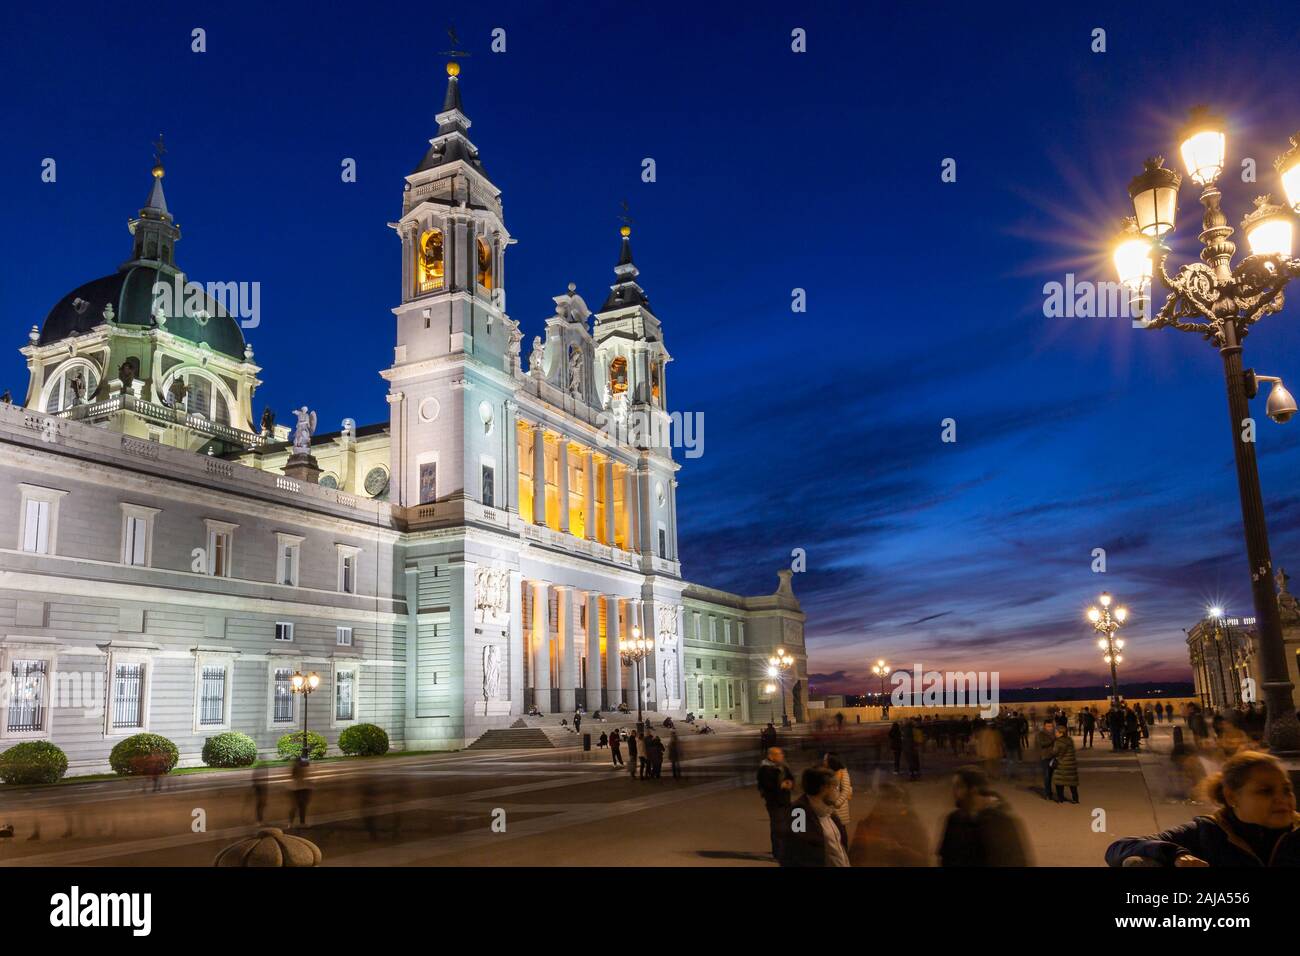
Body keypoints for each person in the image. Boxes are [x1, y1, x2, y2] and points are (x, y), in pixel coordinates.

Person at [1106, 750, 1299, 866]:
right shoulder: (1208, 832)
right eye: (1265, 791)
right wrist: (1175, 854)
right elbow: (1118, 848)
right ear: (1232, 796)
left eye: (1287, 790)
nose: (1282, 799)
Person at [937, 766, 1034, 866]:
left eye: (959, 787)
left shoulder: (1001, 823)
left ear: (973, 790)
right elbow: (945, 857)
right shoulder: (954, 820)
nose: (954, 792)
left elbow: (1017, 861)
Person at [778, 767, 850, 867]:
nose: (837, 792)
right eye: (835, 787)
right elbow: (793, 851)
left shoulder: (828, 811)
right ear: (823, 788)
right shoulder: (799, 812)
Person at [849, 783, 931, 866]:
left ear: (904, 805)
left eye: (896, 799)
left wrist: (900, 849)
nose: (891, 805)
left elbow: (924, 860)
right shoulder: (867, 825)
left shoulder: (913, 826)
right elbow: (854, 858)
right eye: (886, 799)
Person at [757, 746, 795, 859]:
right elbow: (766, 785)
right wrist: (780, 785)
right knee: (778, 827)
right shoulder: (765, 769)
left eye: (781, 754)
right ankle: (778, 853)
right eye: (779, 754)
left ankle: (784, 849)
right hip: (774, 802)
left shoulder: (783, 766)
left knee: (785, 826)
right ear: (771, 756)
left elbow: (790, 777)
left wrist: (790, 783)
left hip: (785, 800)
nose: (782, 756)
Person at [822, 753, 853, 830]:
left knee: (840, 831)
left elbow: (846, 790)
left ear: (831, 761)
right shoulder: (825, 772)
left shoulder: (842, 772)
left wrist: (837, 803)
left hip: (839, 809)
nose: (823, 761)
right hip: (828, 809)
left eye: (825, 760)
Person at [1051, 723, 1080, 804]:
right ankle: (1075, 799)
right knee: (1072, 783)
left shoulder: (1058, 742)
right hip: (1071, 764)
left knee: (1060, 783)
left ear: (1061, 733)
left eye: (1056, 732)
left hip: (1062, 764)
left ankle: (1061, 799)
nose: (1055, 733)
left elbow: (1054, 753)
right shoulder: (1069, 740)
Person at [289, 758, 313, 828]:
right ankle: (300, 823)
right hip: (300, 789)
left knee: (298, 806)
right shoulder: (298, 768)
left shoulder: (296, 768)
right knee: (301, 806)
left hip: (297, 788)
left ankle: (292, 823)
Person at [1035, 720, 1056, 799]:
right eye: (1048, 726)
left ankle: (1054, 793)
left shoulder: (1054, 733)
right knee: (1047, 776)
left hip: (1053, 757)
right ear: (1044, 726)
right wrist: (1052, 740)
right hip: (1045, 757)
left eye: (1051, 726)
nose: (1050, 728)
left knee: (1052, 776)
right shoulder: (1040, 734)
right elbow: (1042, 744)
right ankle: (1048, 794)